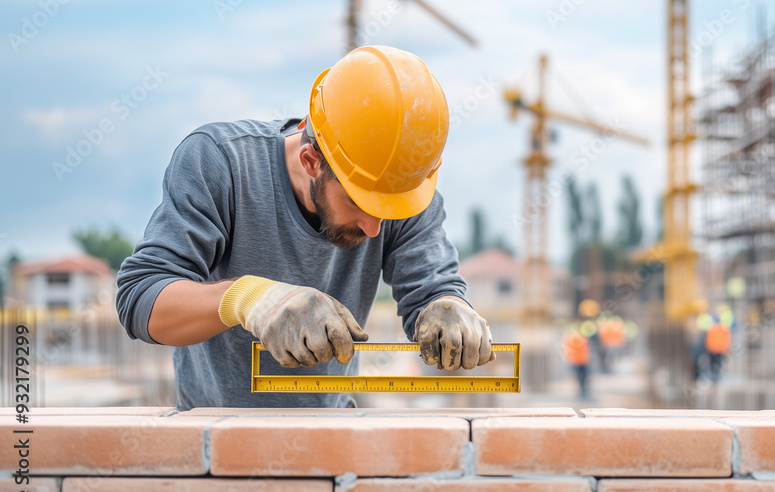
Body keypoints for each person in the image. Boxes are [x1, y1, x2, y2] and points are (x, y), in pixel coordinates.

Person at [116, 46, 495, 410]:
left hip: (332, 436)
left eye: (389, 209)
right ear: (311, 160)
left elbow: (433, 291)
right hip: (215, 436)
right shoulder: (221, 164)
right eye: (359, 204)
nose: (376, 227)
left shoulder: (399, 188)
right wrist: (249, 300)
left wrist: (450, 307)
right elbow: (142, 298)